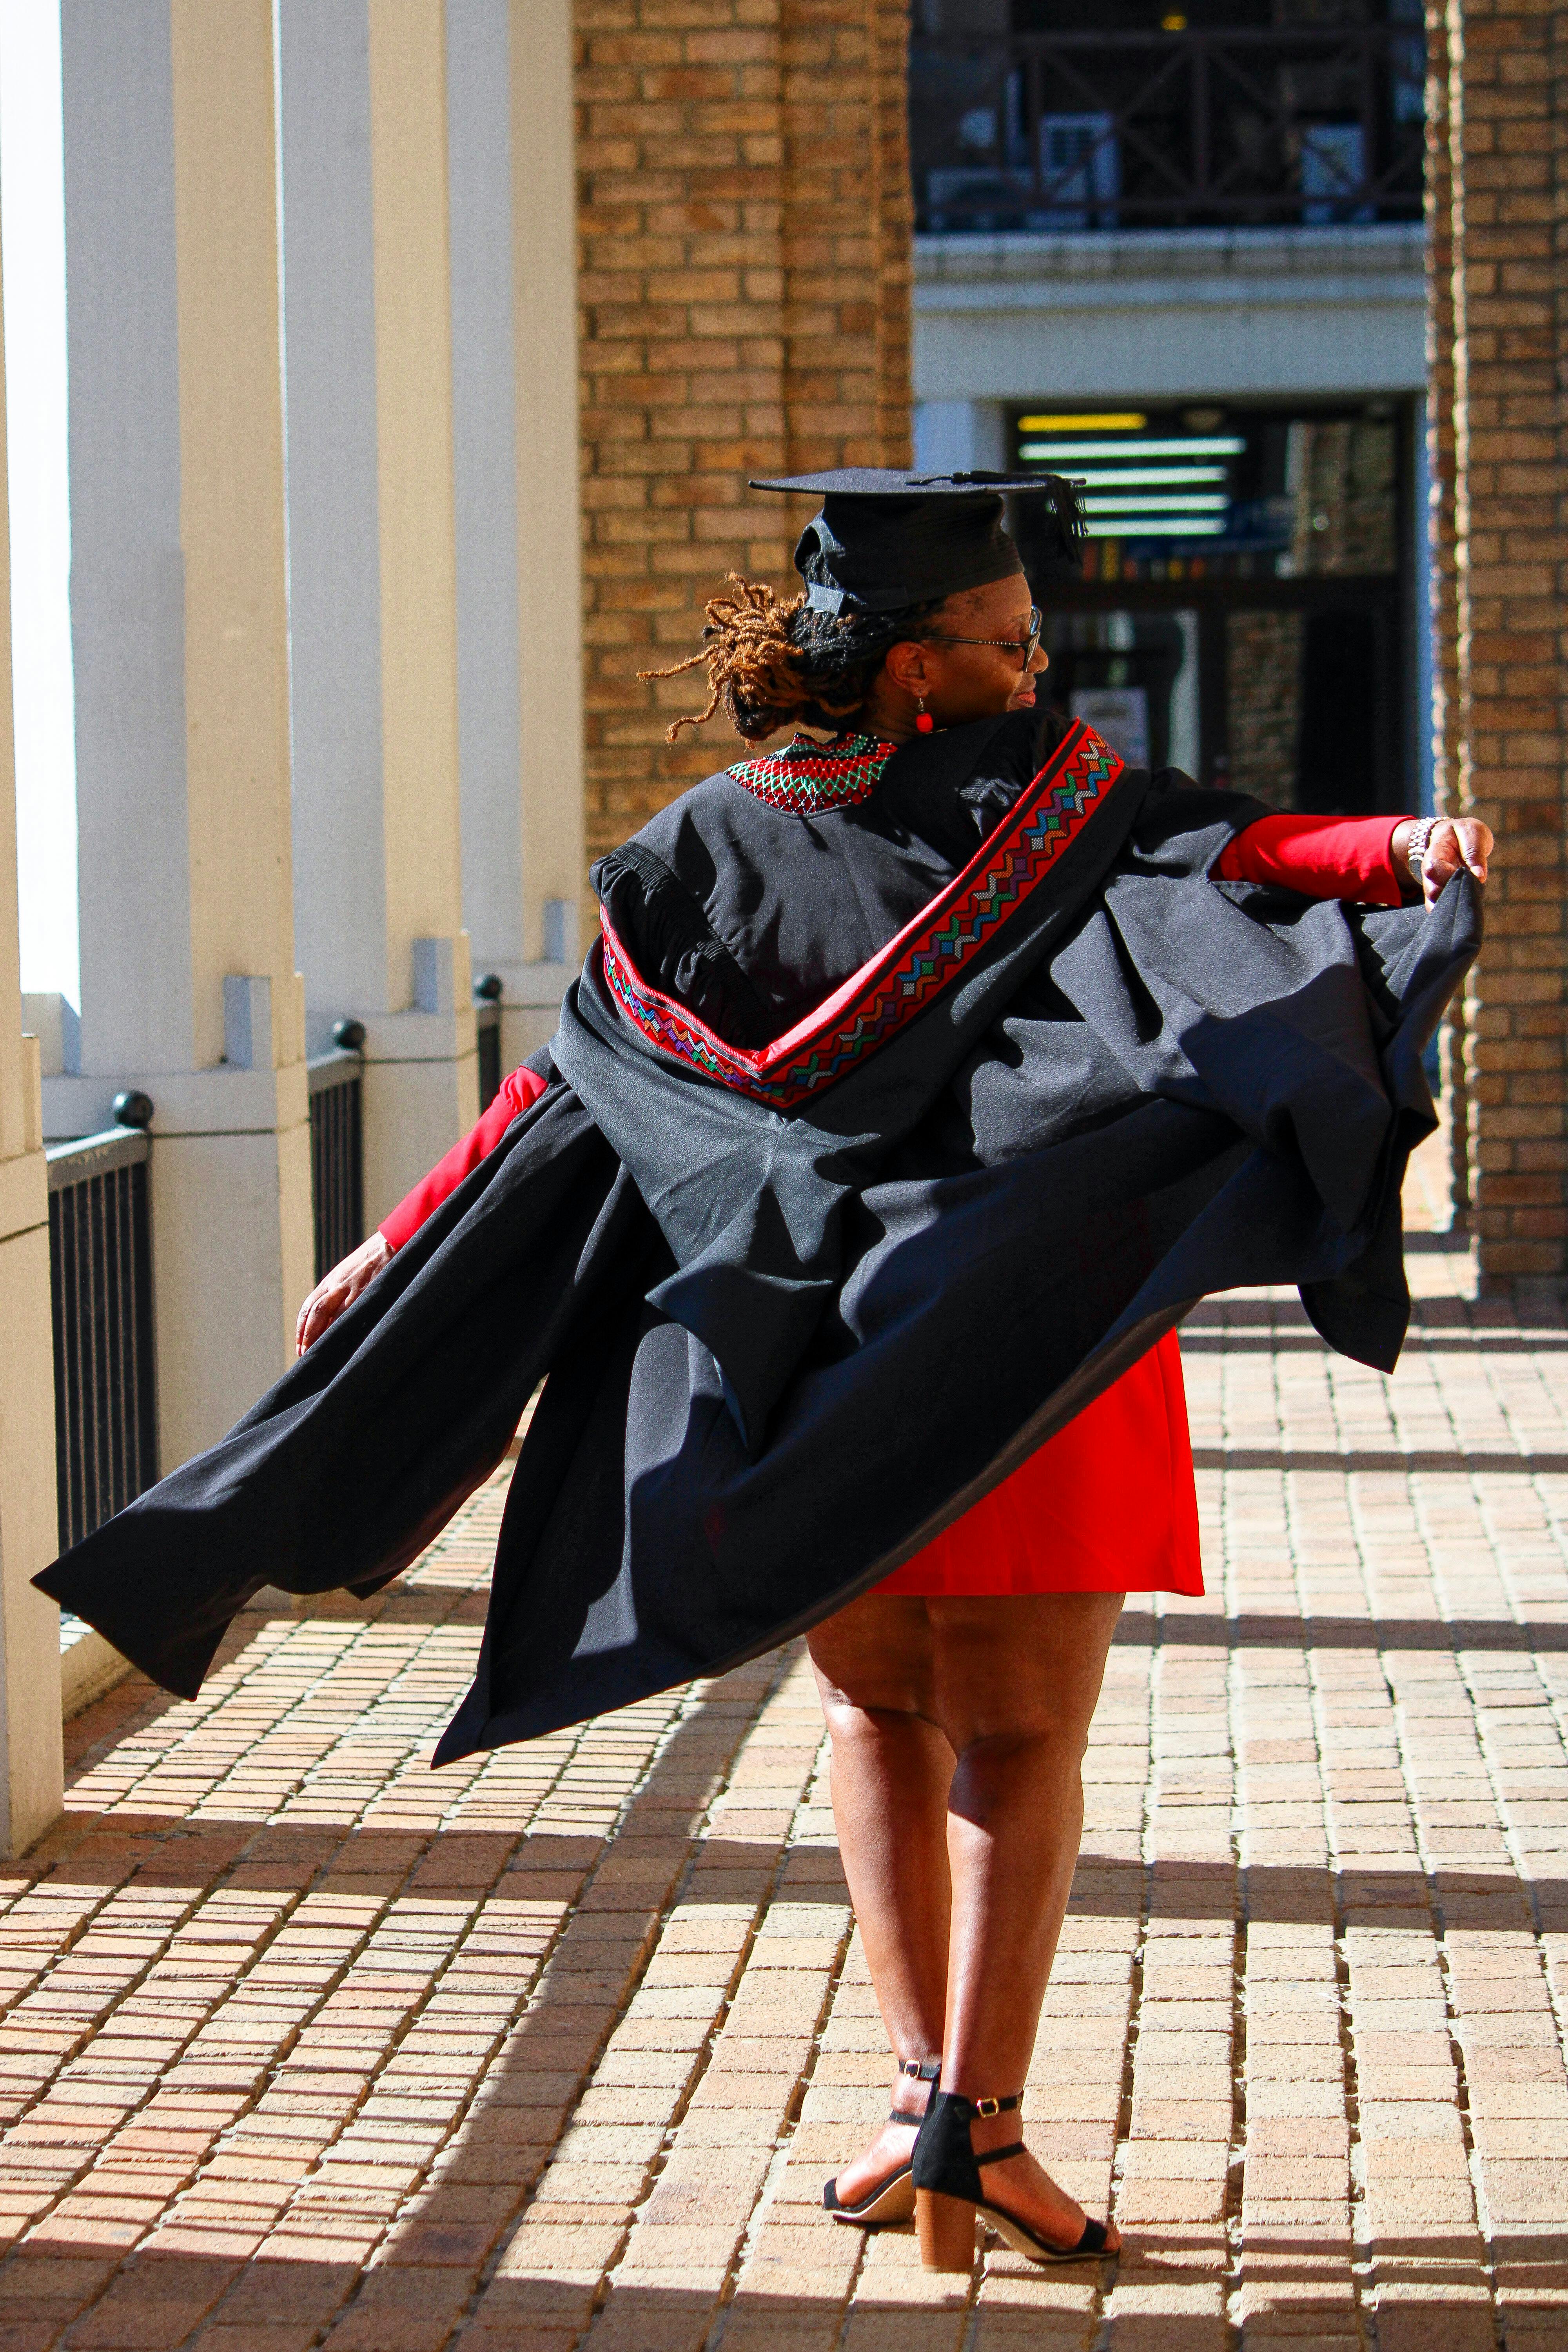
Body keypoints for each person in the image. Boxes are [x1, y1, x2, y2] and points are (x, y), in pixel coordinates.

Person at [289, 472, 1490, 2271]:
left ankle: (920, 2091)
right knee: (1020, 1731)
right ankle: (976, 2128)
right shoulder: (1058, 799)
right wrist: (1400, 850)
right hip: (1027, 1339)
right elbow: (1240, 853)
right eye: (1007, 640)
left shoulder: (703, 838)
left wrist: (406, 1236)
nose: (1038, 662)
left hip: (806, 1341)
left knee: (873, 1710)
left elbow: (579, 1080)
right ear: (917, 666)